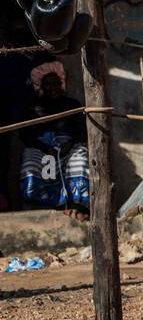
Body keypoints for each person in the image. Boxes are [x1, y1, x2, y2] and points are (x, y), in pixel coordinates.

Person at [18, 65, 89, 211]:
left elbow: (83, 131)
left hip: (69, 145)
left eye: (55, 83)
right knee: (31, 163)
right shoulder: (34, 107)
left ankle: (76, 204)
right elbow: (25, 135)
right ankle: (44, 205)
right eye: (48, 84)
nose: (52, 87)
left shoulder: (72, 104)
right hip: (42, 147)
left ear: (61, 83)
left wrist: (69, 144)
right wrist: (46, 148)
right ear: (41, 86)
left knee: (80, 158)